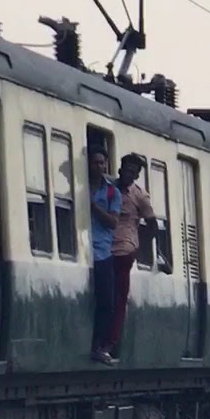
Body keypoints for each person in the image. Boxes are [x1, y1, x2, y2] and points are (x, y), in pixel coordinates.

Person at [96, 153, 159, 361]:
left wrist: (139, 248)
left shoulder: (140, 196)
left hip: (124, 249)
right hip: (105, 247)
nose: (128, 174)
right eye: (127, 169)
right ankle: (100, 341)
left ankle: (109, 344)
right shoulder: (108, 187)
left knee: (119, 299)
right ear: (120, 168)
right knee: (106, 297)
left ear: (137, 175)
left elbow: (152, 225)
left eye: (134, 171)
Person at [89, 149, 122, 364]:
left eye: (102, 162)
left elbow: (113, 222)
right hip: (84, 250)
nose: (99, 166)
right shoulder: (79, 186)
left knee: (106, 303)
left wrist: (94, 208)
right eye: (95, 162)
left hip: (102, 252)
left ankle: (98, 347)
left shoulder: (112, 193)